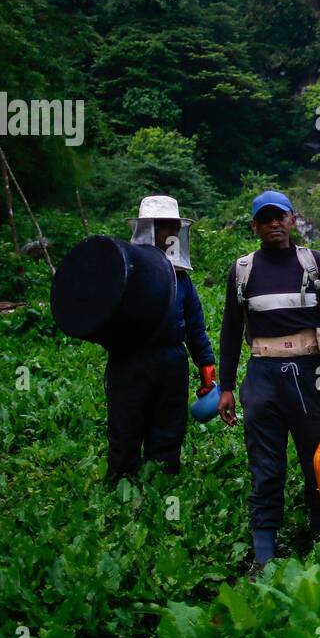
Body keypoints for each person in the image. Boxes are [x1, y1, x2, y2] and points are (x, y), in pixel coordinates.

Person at [216, 191, 320, 573]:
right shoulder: (242, 270)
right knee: (265, 465)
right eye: (266, 219)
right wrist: (225, 386)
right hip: (263, 379)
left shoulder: (315, 264)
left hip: (313, 374)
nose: (274, 224)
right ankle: (264, 548)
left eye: (280, 217)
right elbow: (231, 332)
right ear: (255, 227)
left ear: (293, 220)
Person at [107, 195, 215, 484]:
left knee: (169, 424)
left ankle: (163, 480)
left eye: (172, 226)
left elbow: (195, 325)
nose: (168, 233)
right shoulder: (125, 272)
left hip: (171, 359)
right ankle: (121, 483)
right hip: (129, 359)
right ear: (147, 229)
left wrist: (206, 365)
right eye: (162, 226)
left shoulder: (181, 278)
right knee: (125, 423)